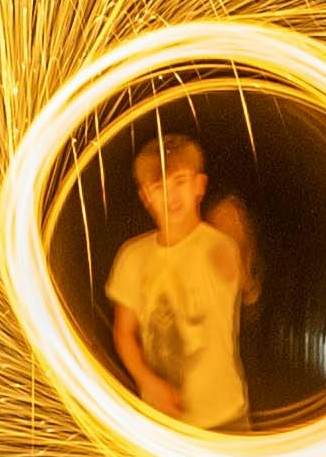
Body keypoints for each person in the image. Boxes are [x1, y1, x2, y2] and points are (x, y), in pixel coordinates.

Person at [100, 116, 258, 433]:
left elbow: (241, 279)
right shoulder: (132, 258)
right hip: (161, 425)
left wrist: (239, 240)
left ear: (199, 185)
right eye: (160, 187)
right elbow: (124, 333)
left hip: (225, 421)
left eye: (180, 182)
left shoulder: (219, 246)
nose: (171, 195)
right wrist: (147, 381)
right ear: (146, 195)